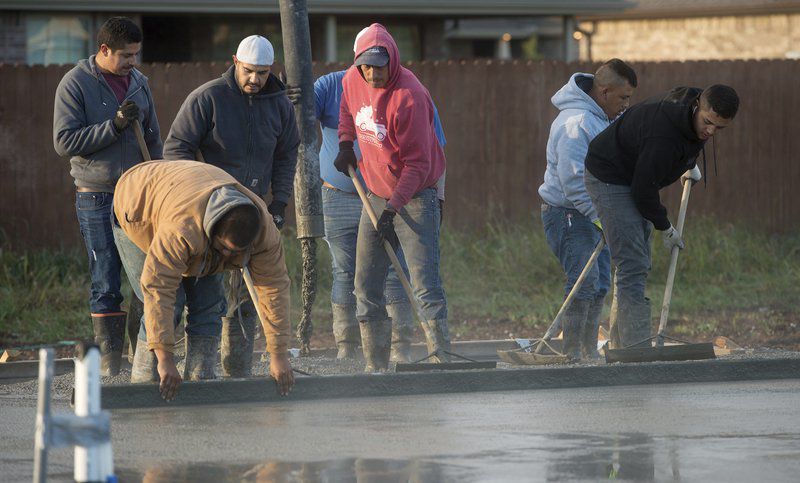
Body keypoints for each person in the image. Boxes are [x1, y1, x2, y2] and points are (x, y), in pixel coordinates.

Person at [163, 35, 299, 377]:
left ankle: (237, 369)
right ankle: (160, 362)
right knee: (193, 290)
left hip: (253, 212)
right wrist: (202, 190)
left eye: (263, 73)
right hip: (208, 211)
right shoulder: (208, 98)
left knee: (249, 292)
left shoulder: (280, 106)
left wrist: (279, 201)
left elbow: (286, 155)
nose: (255, 79)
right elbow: (175, 150)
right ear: (235, 61)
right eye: (249, 71)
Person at [111, 160, 294, 401]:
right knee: (172, 301)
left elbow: (274, 289)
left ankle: (200, 380)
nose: (230, 257)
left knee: (209, 303)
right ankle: (148, 380)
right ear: (213, 233)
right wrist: (166, 359)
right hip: (138, 205)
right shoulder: (180, 230)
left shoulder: (265, 233)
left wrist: (278, 354)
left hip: (187, 192)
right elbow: (159, 290)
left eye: (238, 253)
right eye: (225, 250)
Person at [584, 84, 739, 348]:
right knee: (633, 263)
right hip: (610, 176)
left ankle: (621, 346)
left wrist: (689, 164)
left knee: (636, 262)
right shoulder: (663, 135)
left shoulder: (693, 105)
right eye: (708, 122)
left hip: (633, 172)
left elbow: (688, 139)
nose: (711, 131)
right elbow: (643, 191)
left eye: (720, 128)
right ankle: (635, 350)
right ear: (698, 106)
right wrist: (665, 227)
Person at [312, 68, 447, 362]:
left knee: (411, 277)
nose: (371, 73)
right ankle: (369, 359)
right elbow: (339, 109)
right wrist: (345, 143)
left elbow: (425, 160)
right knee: (356, 277)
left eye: (378, 64)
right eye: (365, 65)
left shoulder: (411, 96)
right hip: (359, 195)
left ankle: (425, 354)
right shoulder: (343, 84)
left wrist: (430, 200)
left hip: (405, 197)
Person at [53, 17, 162, 376]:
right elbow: (64, 142)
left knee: (146, 276)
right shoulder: (76, 84)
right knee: (105, 279)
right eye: (126, 55)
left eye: (136, 55)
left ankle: (140, 361)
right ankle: (110, 369)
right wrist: (112, 126)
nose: (132, 62)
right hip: (96, 196)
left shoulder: (139, 84)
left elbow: (154, 138)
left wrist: (160, 183)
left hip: (138, 196)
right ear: (104, 50)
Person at [538, 59, 638, 361]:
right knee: (584, 282)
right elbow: (573, 181)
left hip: (592, 217)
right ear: (604, 92)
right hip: (569, 215)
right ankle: (573, 354)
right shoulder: (576, 123)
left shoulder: (599, 118)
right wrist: (600, 219)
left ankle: (586, 353)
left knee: (600, 283)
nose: (626, 104)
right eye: (623, 98)